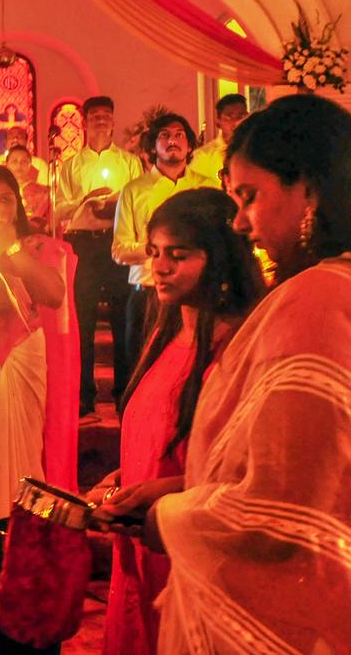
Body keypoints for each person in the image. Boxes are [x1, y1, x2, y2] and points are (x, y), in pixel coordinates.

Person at [148, 96, 351, 652]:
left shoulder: (327, 298)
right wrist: (185, 487)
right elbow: (332, 471)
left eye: (250, 196)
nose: (242, 222)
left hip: (333, 620)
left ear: (311, 191)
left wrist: (165, 517)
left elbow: (279, 511)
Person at [84, 189, 264, 654]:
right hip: (142, 544)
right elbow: (156, 440)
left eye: (177, 256)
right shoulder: (165, 333)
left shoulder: (242, 347)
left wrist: (160, 491)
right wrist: (122, 482)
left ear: (220, 260)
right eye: (154, 253)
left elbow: (254, 475)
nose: (159, 267)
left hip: (193, 555)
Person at [0, 165, 79, 632]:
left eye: (5, 200)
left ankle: (18, 576)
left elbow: (52, 292)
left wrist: (9, 247)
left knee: (19, 457)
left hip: (21, 357)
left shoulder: (35, 247)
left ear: (17, 205)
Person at [112, 112, 217, 406]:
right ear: (151, 148)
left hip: (197, 295)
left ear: (190, 145)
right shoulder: (135, 190)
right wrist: (159, 250)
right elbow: (119, 250)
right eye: (165, 136)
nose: (173, 141)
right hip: (148, 295)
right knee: (143, 377)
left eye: (180, 135)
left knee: (196, 377)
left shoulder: (205, 188)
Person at [54, 96, 144, 419]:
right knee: (84, 320)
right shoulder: (71, 165)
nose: (101, 120)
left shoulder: (130, 163)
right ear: (85, 122)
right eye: (94, 116)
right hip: (85, 244)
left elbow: (136, 199)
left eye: (106, 115)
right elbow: (59, 209)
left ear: (114, 121)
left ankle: (125, 394)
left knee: (124, 320)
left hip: (117, 242)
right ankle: (84, 397)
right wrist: (85, 199)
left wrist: (115, 203)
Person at [188, 93, 248, 183]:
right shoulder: (203, 156)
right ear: (218, 122)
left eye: (242, 117)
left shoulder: (256, 151)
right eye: (229, 117)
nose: (236, 122)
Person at [5, 145, 51, 232]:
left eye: (24, 161)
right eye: (14, 161)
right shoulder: (1, 192)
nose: (19, 165)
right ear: (7, 165)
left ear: (30, 165)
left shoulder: (43, 192)